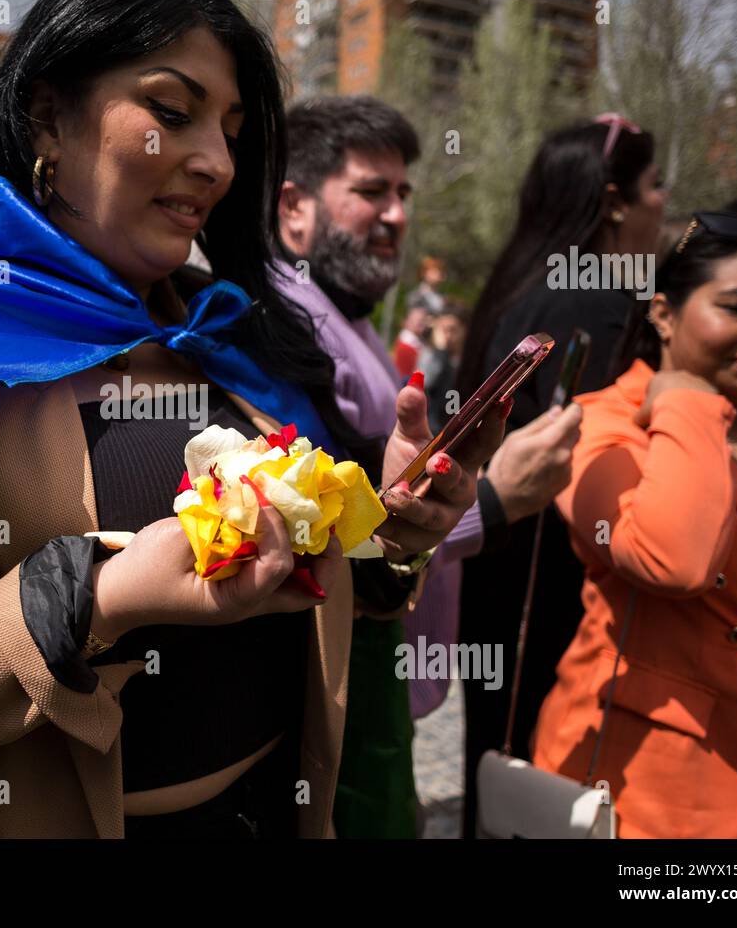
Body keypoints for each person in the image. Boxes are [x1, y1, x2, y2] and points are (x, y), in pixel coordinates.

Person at [0, 0, 504, 838]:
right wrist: (91, 600)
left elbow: (299, 591)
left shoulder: (232, 335)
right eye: (172, 112)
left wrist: (391, 532)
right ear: (48, 116)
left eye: (231, 130)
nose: (216, 160)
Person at [272, 94, 579, 836]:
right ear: (294, 208)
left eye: (405, 193)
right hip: (331, 687)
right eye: (372, 192)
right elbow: (329, 532)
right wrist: (497, 498)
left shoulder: (343, 316)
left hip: (376, 669)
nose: (398, 215)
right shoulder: (288, 322)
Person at [533, 204, 737, 837]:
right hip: (653, 798)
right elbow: (671, 559)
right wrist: (685, 398)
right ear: (663, 312)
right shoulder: (602, 423)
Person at [456, 113, 666, 837]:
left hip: (496, 580)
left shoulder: (520, 287)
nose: (665, 204)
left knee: (500, 778)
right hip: (552, 599)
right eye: (656, 185)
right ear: (613, 200)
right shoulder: (595, 306)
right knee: (550, 795)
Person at [418, 297, 467, 435]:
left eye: (452, 329)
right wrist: (440, 353)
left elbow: (453, 407)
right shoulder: (430, 355)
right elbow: (426, 383)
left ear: (465, 330)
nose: (447, 335)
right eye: (443, 329)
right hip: (429, 431)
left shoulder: (465, 363)